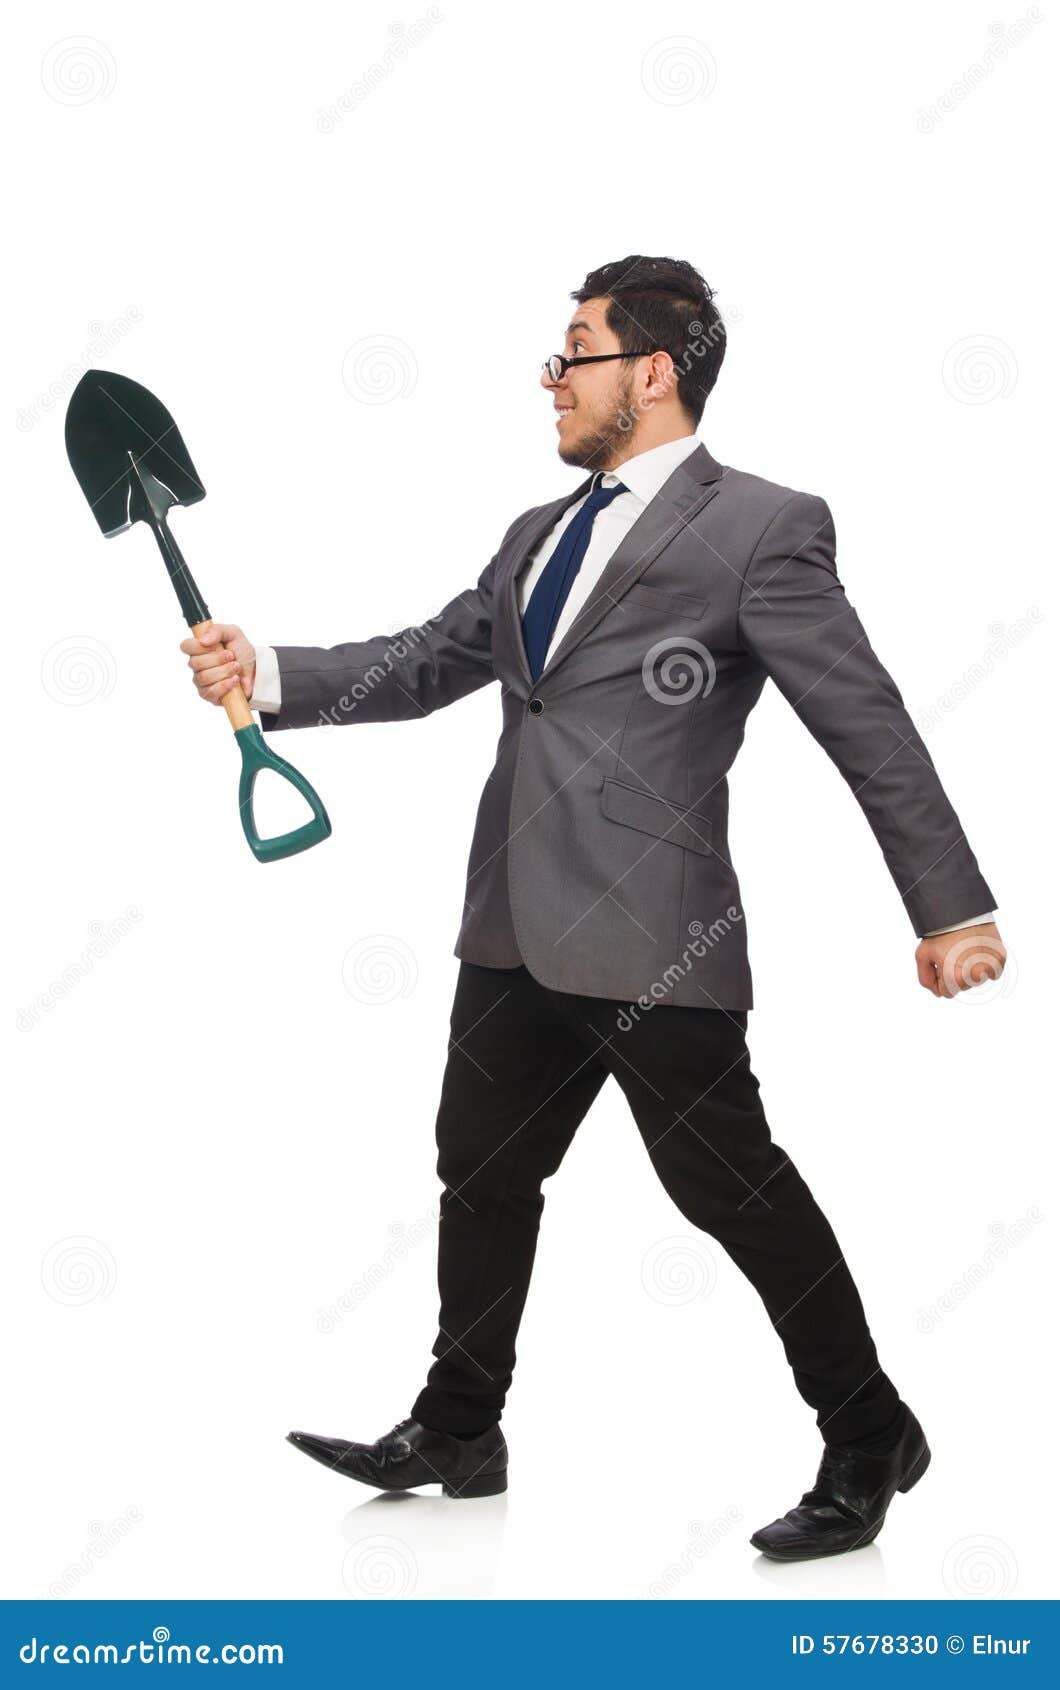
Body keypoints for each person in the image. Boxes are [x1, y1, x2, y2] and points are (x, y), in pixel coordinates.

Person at [181, 256, 1005, 1561]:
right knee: (481, 1164)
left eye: (575, 352)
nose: (552, 380)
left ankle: (868, 1432)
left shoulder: (762, 525)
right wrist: (266, 667)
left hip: (651, 933)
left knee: (726, 1185)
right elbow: (430, 660)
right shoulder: (536, 531)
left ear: (654, 370)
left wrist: (950, 905)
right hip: (512, 915)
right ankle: (460, 1425)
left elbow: (868, 720)